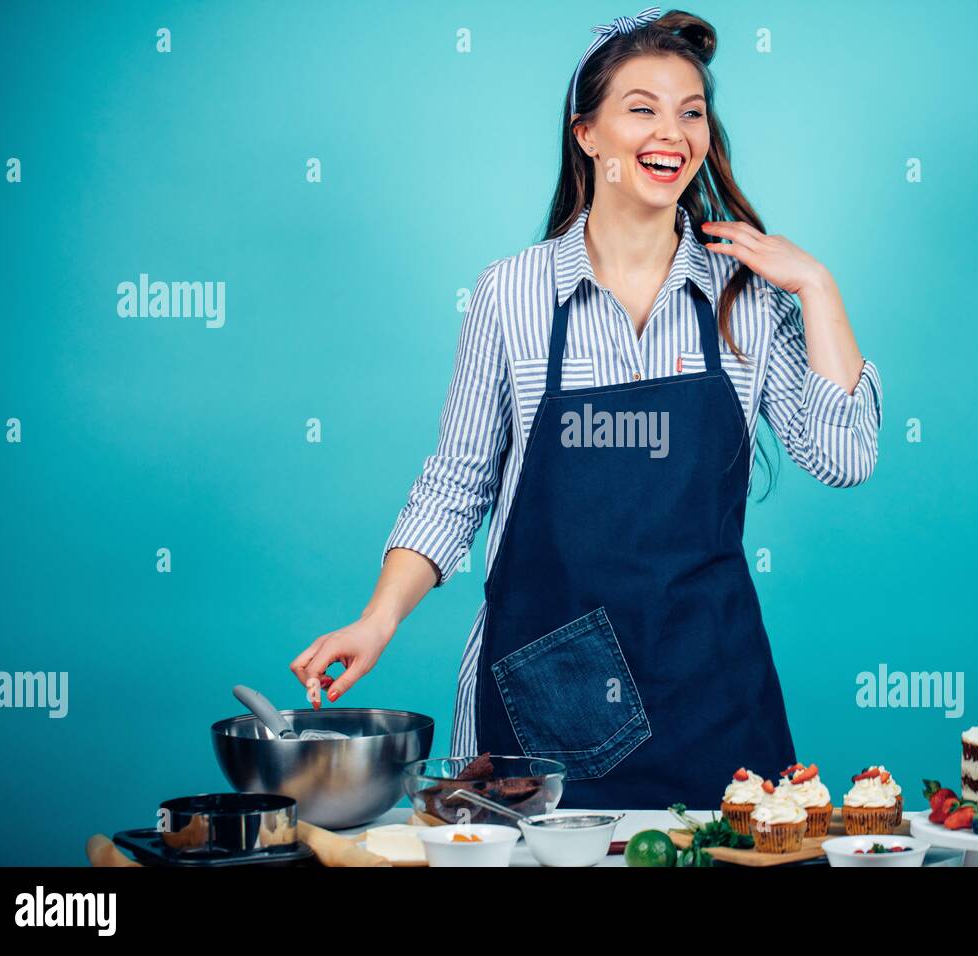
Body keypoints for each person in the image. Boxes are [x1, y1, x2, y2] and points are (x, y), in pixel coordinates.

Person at [291, 7, 883, 809]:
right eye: (640, 107)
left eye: (691, 111)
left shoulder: (746, 295)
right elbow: (456, 485)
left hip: (712, 693)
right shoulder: (513, 294)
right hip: (548, 695)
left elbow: (844, 459)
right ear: (588, 136)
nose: (670, 131)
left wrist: (816, 285)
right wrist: (377, 620)